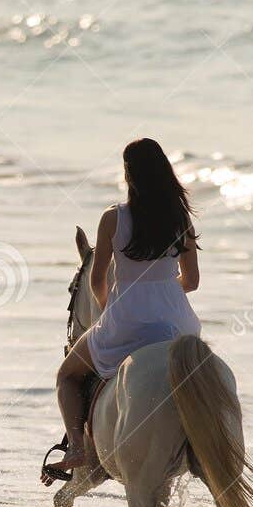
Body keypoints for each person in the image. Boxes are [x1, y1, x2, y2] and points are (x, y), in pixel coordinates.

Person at [50, 138, 201, 476]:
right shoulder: (181, 219)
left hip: (126, 320)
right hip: (178, 323)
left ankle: (76, 448)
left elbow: (97, 278)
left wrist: (111, 309)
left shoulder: (113, 218)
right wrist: (163, 292)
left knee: (66, 376)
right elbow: (191, 282)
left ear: (129, 175)